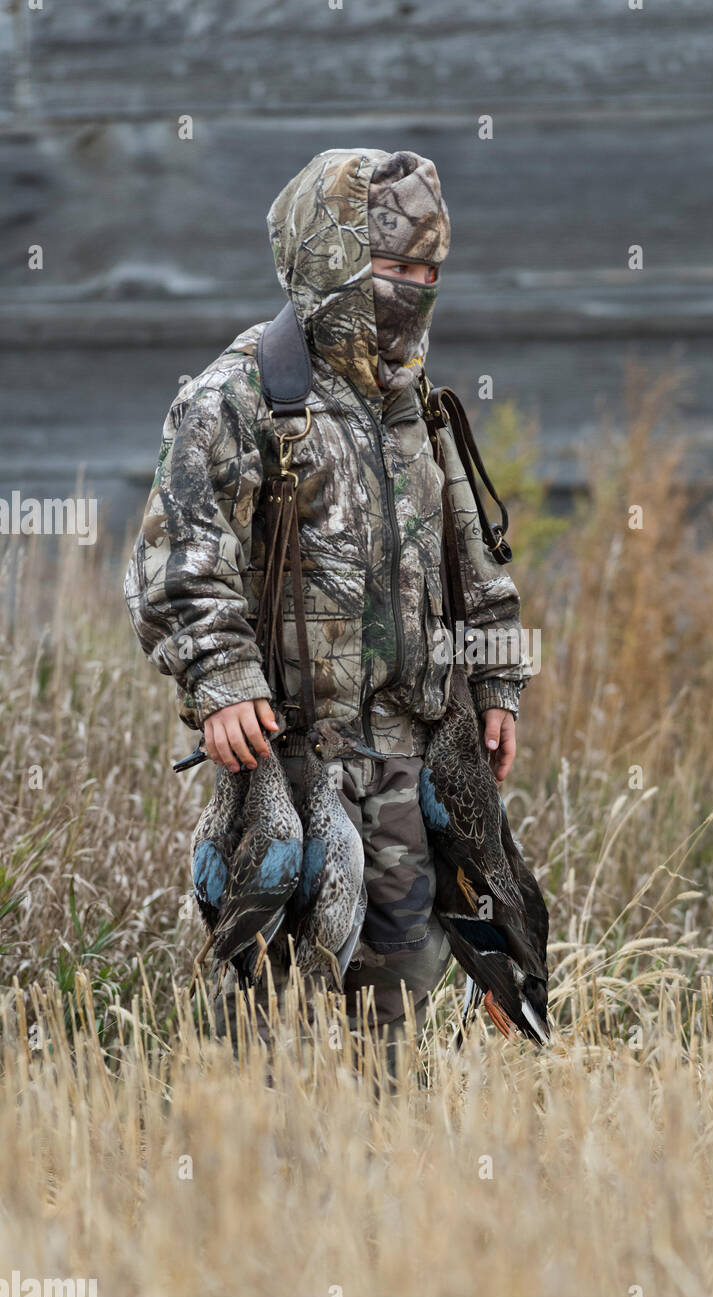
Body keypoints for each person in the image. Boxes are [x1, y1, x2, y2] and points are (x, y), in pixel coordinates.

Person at [123, 147, 532, 1056]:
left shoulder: (412, 405)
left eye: (430, 271)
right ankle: (262, 1171)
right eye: (393, 268)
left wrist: (495, 683)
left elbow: (470, 557)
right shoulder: (241, 398)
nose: (415, 290)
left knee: (404, 989)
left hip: (408, 752)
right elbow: (178, 560)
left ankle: (384, 1169)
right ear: (331, 257)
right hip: (292, 756)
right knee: (273, 1000)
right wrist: (222, 680)